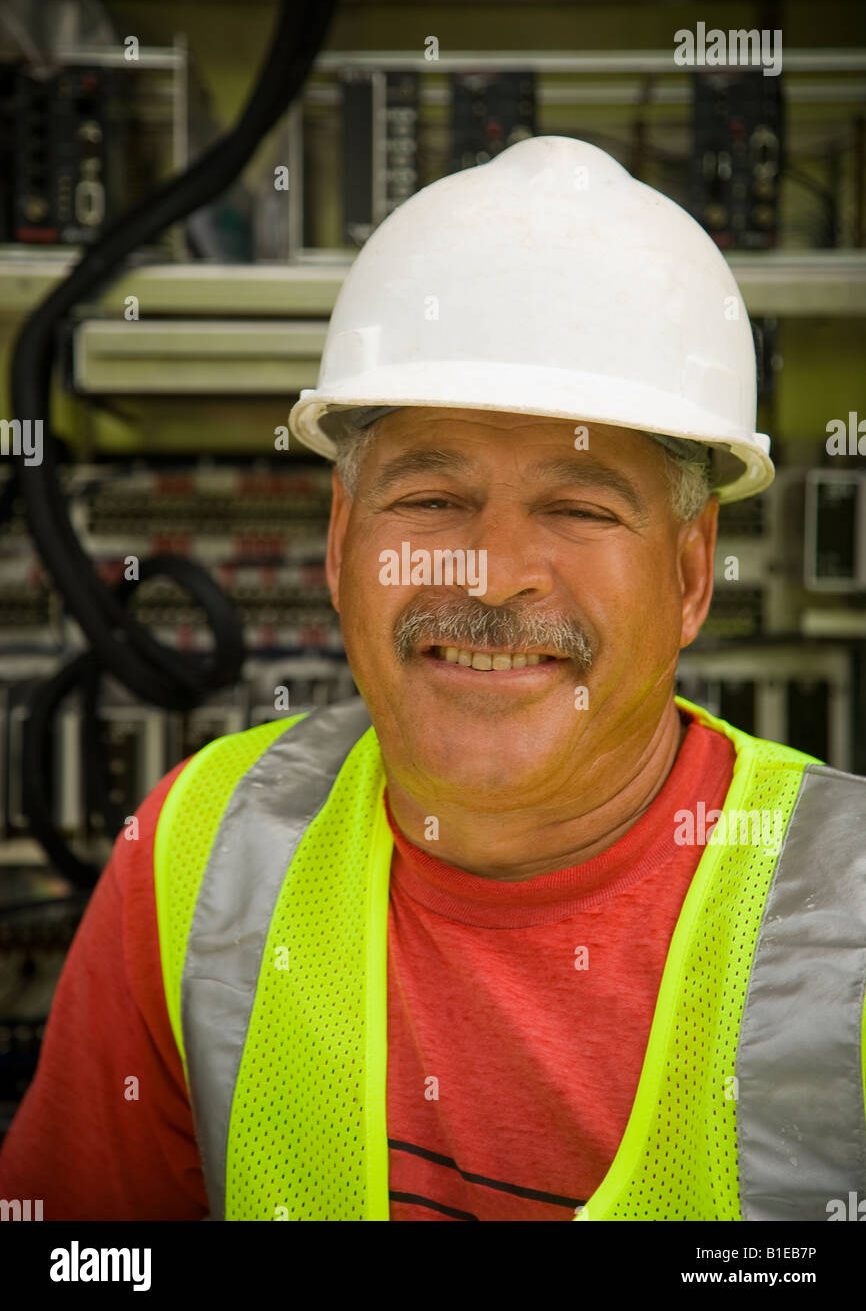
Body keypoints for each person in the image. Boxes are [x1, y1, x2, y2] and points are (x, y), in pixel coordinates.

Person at [1, 136, 863, 1223]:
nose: (492, 574)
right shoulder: (196, 859)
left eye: (580, 507)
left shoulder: (848, 916)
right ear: (339, 543)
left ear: (688, 575)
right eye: (430, 497)